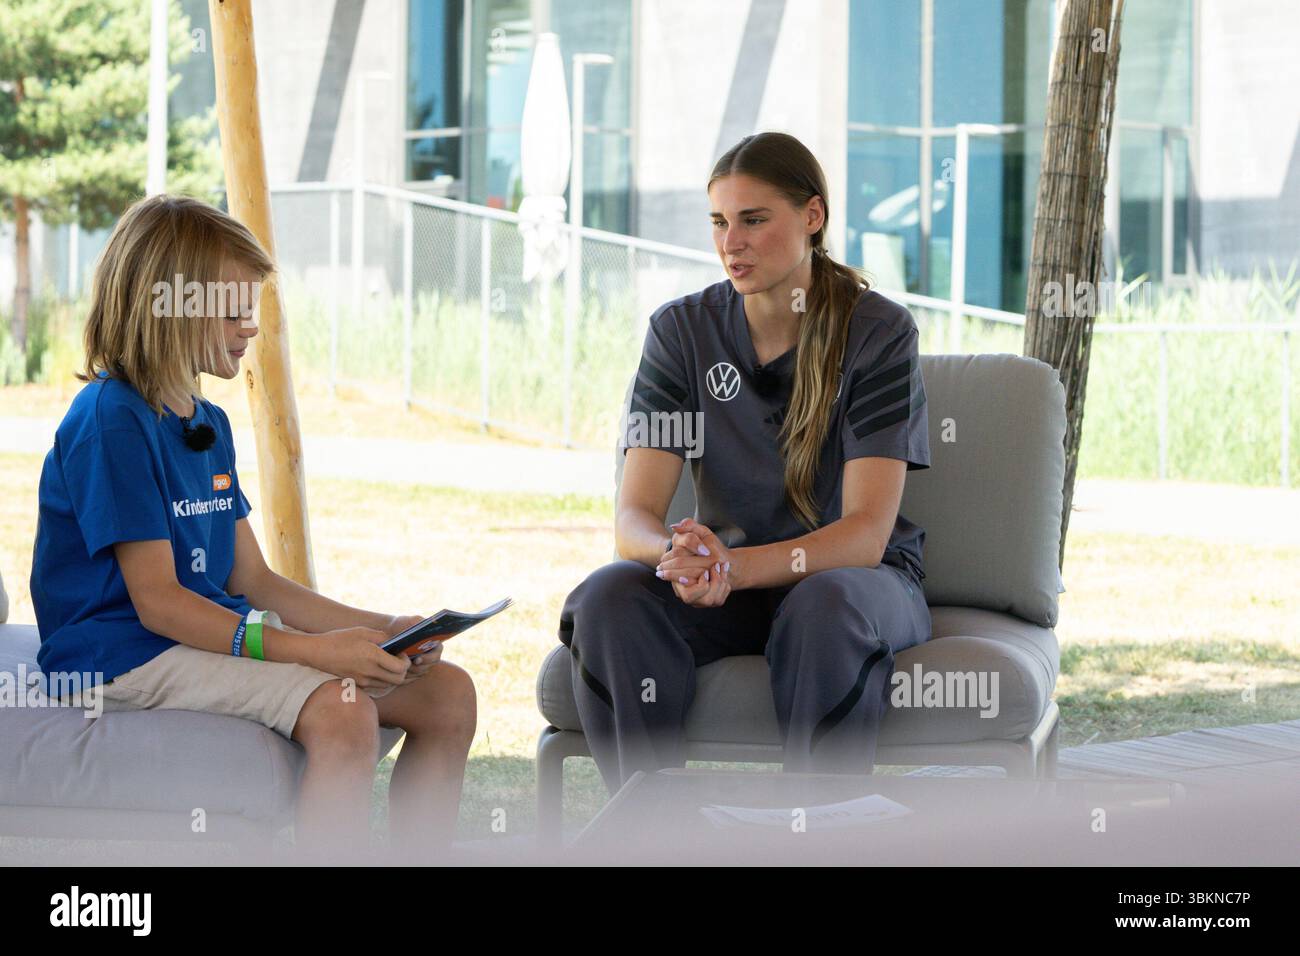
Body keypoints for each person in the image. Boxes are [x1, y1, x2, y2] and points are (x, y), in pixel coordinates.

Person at [29, 194, 476, 860]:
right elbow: (158, 605)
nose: (251, 326)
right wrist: (320, 653)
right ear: (171, 306)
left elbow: (253, 578)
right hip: (117, 655)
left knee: (447, 695)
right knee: (344, 707)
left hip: (191, 634)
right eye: (236, 309)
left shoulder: (208, 423)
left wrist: (385, 629)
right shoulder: (109, 419)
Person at [558, 131, 933, 794]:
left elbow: (866, 533)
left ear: (812, 217)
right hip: (729, 589)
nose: (732, 242)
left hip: (853, 585)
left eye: (754, 220)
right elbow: (635, 519)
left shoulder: (878, 333)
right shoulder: (681, 333)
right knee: (607, 596)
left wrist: (732, 567)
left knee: (824, 608)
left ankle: (819, 835)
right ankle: (649, 831)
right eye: (720, 222)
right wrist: (676, 553)